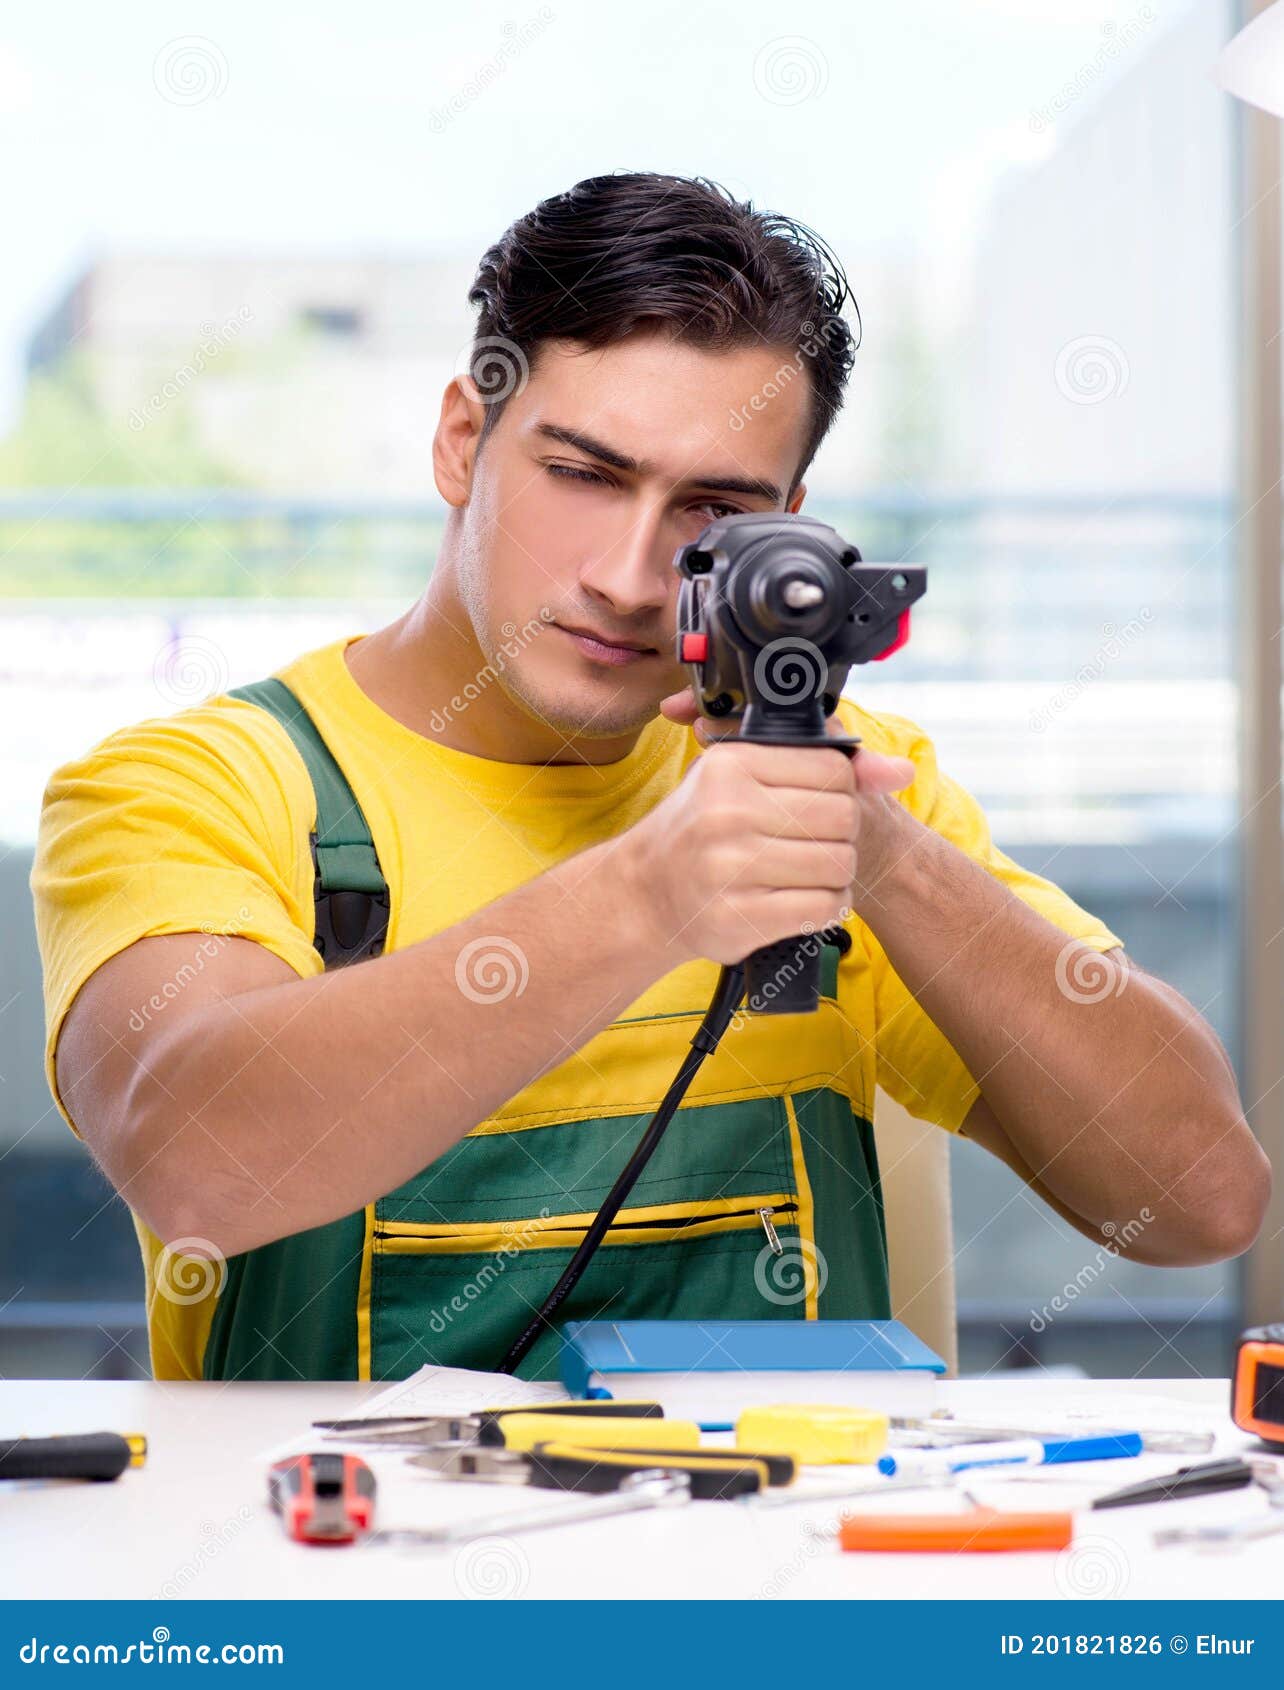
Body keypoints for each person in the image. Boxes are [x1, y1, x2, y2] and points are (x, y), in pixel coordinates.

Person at [32, 172, 1269, 1382]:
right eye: (583, 474)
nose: (627, 574)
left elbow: (1197, 1200)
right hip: (344, 1575)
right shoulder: (199, 787)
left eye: (709, 507)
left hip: (768, 1565)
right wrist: (650, 897)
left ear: (786, 522)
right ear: (465, 439)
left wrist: (877, 856)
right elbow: (190, 1159)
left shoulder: (850, 787)